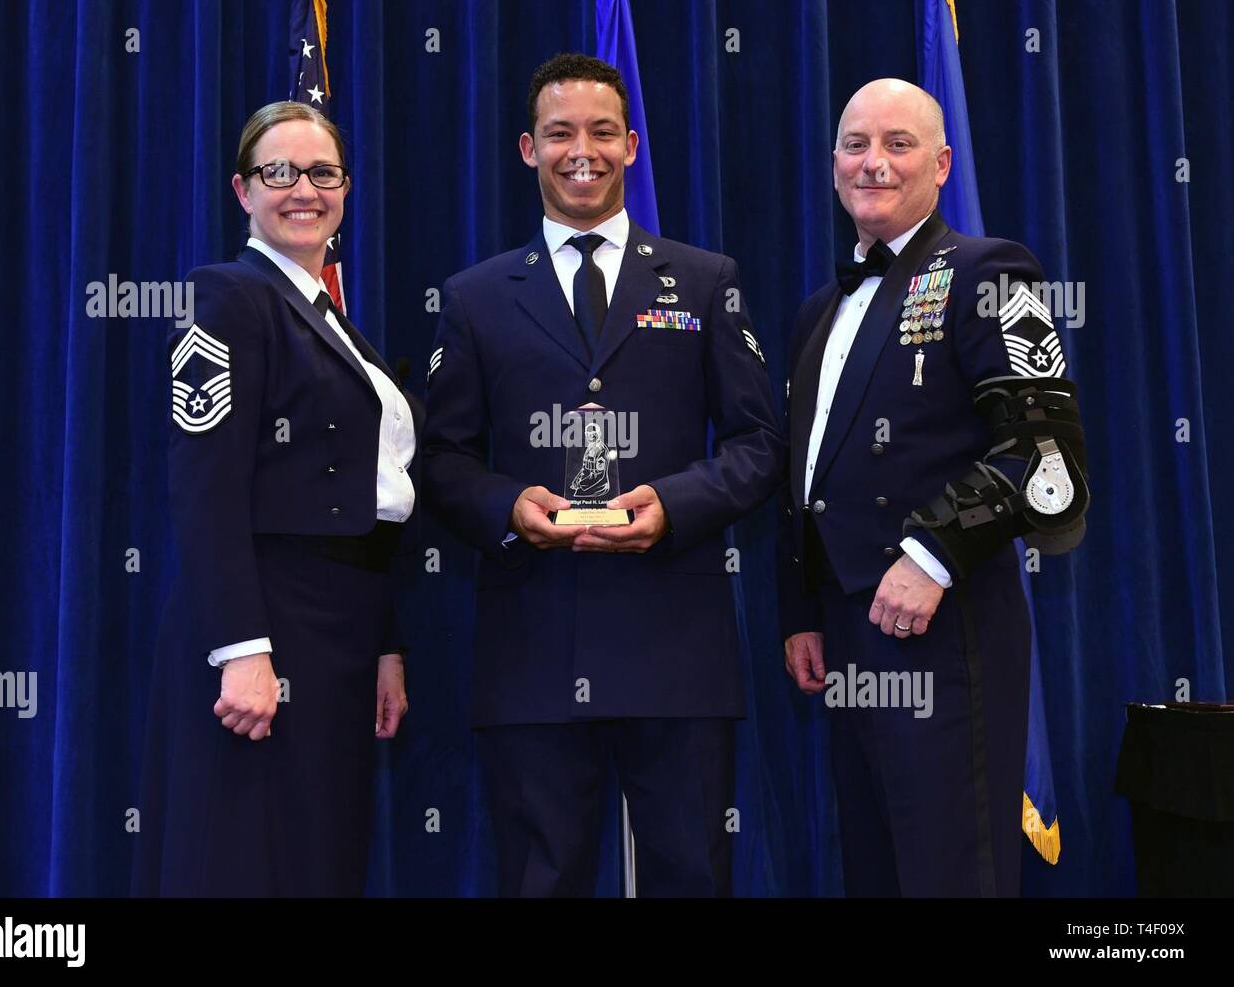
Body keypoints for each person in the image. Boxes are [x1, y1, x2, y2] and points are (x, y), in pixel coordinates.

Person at [420, 53, 783, 897]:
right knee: (541, 880)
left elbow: (760, 442)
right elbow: (440, 459)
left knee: (692, 873)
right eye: (559, 133)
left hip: (676, 642)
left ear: (632, 145)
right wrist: (509, 503)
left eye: (600, 132)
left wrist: (676, 502)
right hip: (533, 644)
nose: (580, 150)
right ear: (526, 147)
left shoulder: (703, 281)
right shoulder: (473, 297)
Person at [777, 79, 1089, 897]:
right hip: (846, 630)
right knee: (875, 867)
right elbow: (805, 475)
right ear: (833, 162)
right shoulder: (819, 310)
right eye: (855, 145)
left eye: (898, 144)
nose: (872, 162)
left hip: (944, 623)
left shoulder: (989, 271)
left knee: (950, 870)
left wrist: (934, 553)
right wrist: (804, 611)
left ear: (942, 163)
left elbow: (1047, 457)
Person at [132, 101, 419, 897]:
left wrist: (385, 642)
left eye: (322, 173)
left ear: (346, 188)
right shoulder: (227, 295)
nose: (303, 189)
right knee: (245, 858)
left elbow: (370, 497)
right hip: (269, 623)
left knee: (317, 855)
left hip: (340, 627)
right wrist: (241, 650)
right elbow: (205, 488)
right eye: (278, 172)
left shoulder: (330, 316)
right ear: (242, 190)